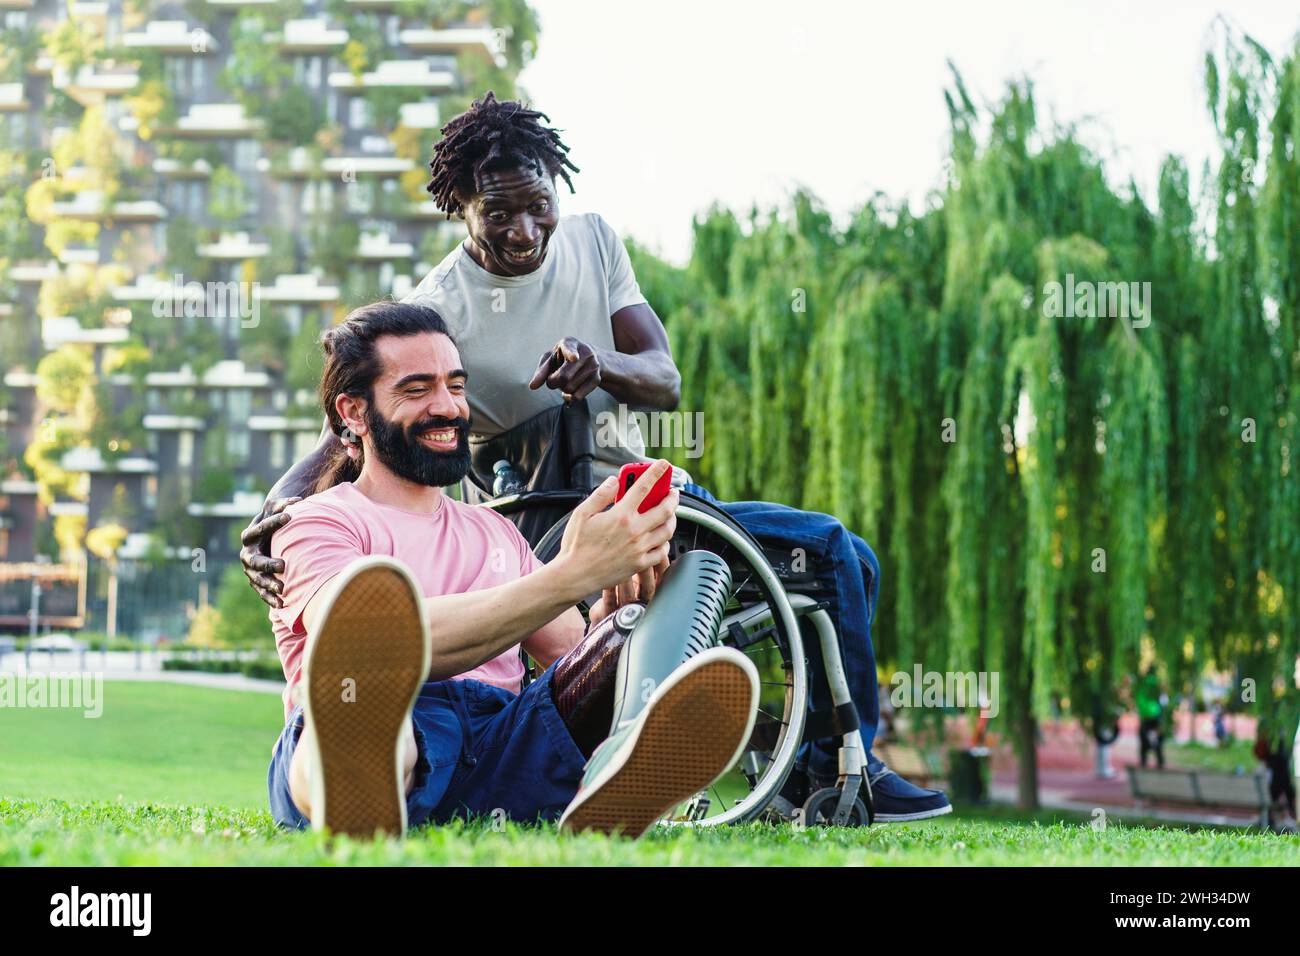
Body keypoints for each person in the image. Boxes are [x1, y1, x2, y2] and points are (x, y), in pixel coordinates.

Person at [243, 93, 949, 822]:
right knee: (398, 685)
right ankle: (384, 767)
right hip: (551, 510)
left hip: (645, 495)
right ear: (459, 206)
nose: (524, 231)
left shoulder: (593, 241)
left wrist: (601, 365)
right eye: (498, 214)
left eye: (538, 205)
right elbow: (354, 423)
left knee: (841, 558)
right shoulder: (438, 311)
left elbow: (665, 381)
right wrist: (276, 516)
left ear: (558, 185)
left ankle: (822, 765)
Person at [266, 300, 759, 838]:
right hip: (385, 716)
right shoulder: (315, 523)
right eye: (416, 389)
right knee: (367, 691)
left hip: (503, 742)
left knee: (670, 602)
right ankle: (357, 787)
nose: (448, 407)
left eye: (455, 386)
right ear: (355, 412)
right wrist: (572, 572)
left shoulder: (496, 533)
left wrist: (617, 621)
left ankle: (619, 763)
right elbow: (373, 644)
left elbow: (566, 657)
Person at [1135, 668, 1166, 769]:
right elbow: (1163, 703)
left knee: (1144, 741)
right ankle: (1160, 762)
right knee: (1157, 741)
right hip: (1156, 717)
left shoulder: (1143, 686)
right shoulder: (1157, 686)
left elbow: (1139, 702)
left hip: (1146, 718)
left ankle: (1144, 762)